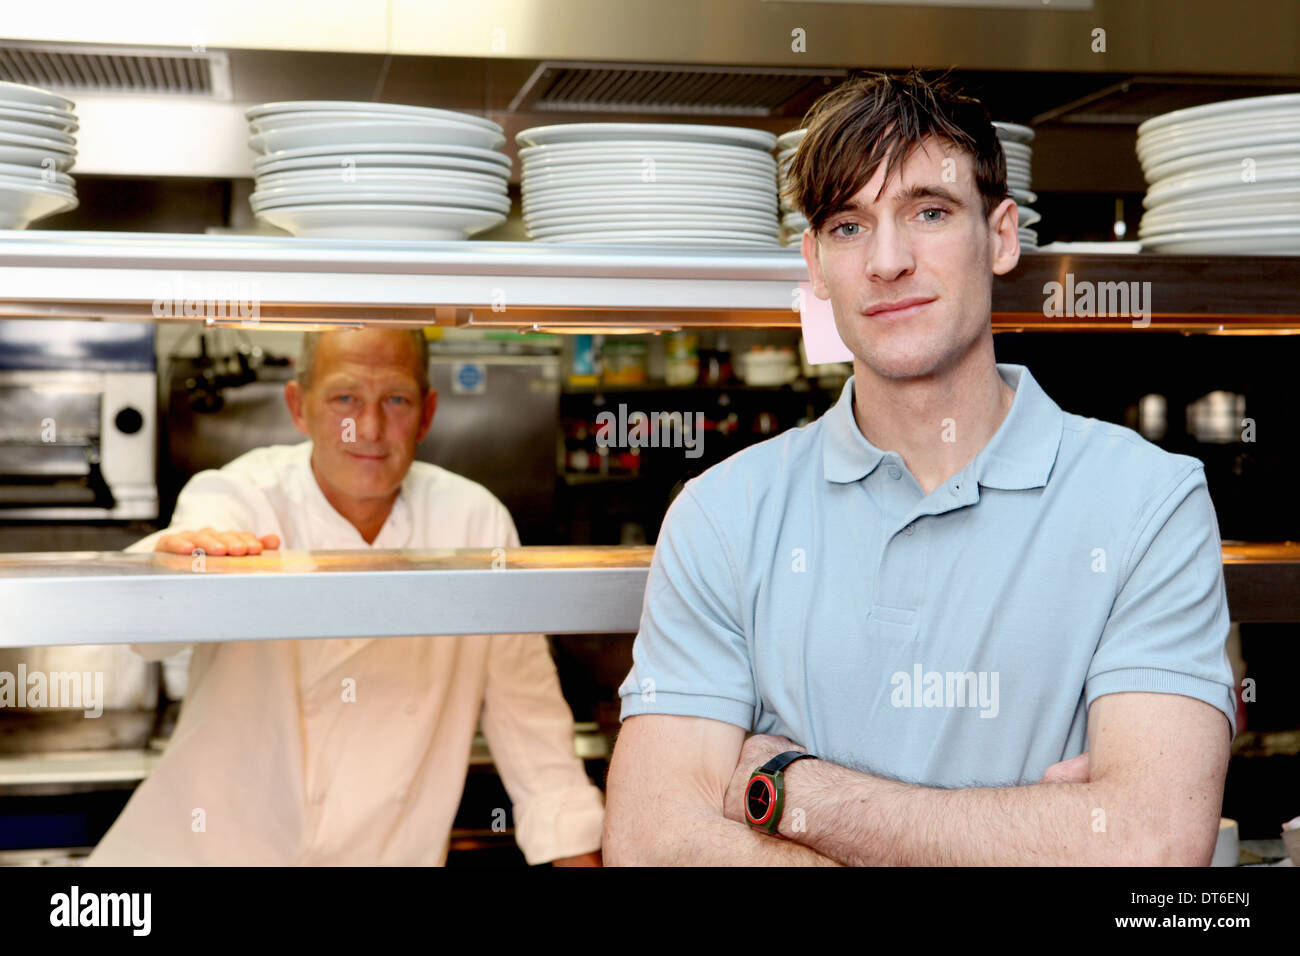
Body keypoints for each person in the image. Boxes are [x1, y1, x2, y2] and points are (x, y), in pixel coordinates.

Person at [603, 70, 1236, 866]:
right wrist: (1041, 830)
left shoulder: (1148, 502)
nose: (888, 260)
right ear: (816, 264)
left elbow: (1148, 845)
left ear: (1001, 236)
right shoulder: (721, 514)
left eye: (928, 212)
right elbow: (651, 844)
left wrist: (794, 792)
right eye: (848, 226)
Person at [88, 328, 604, 866]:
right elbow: (144, 634)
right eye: (345, 399)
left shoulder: (474, 522)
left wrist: (574, 851)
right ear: (298, 406)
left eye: (396, 400)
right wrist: (178, 559)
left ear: (427, 414)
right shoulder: (242, 496)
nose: (372, 427)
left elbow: (532, 726)